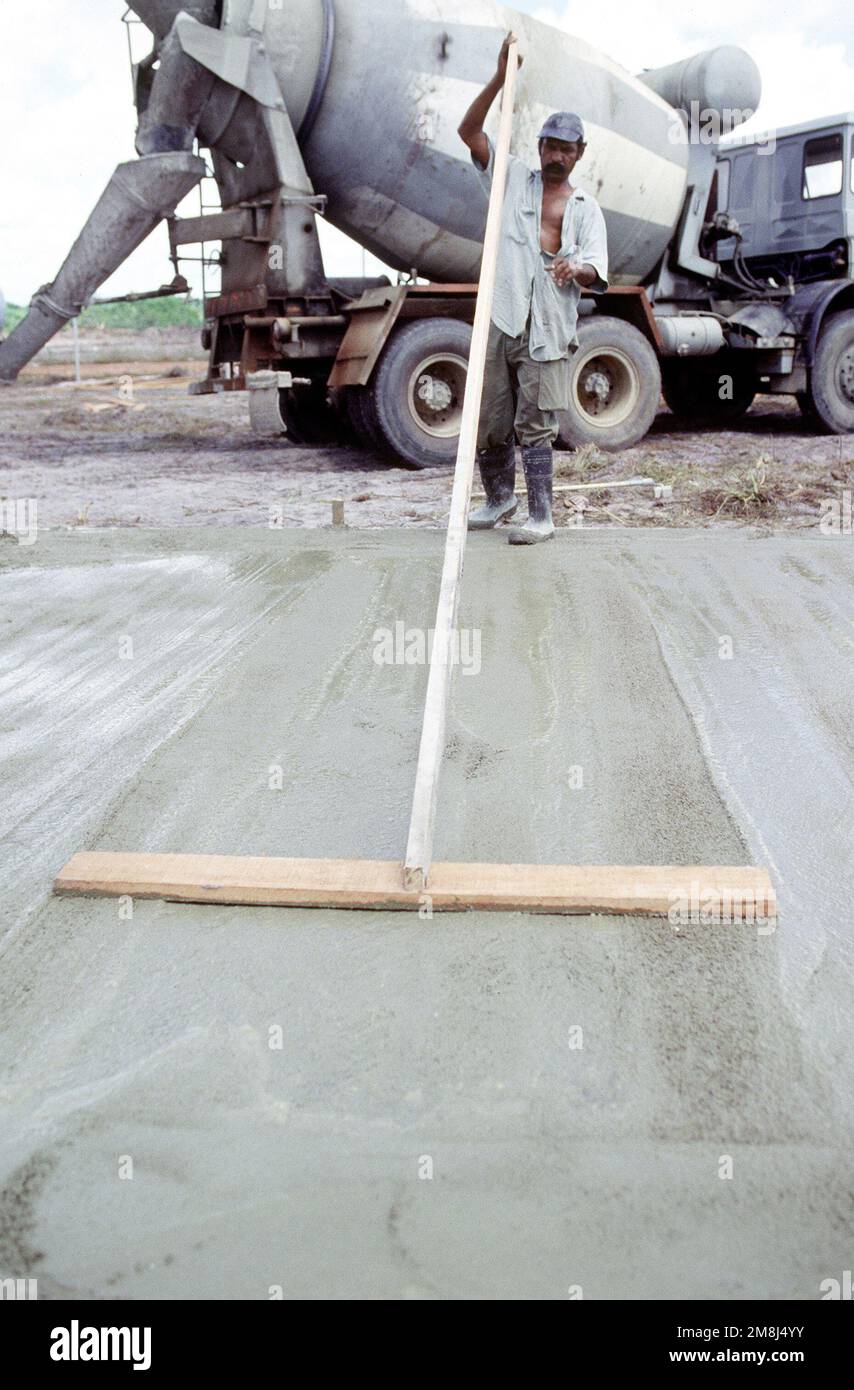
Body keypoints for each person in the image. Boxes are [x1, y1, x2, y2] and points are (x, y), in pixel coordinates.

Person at [457, 33, 609, 543]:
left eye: (567, 149)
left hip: (547, 329)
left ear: (579, 154)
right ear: (539, 147)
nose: (557, 156)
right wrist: (501, 76)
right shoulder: (513, 179)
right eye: (550, 146)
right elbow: (468, 131)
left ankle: (542, 516)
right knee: (489, 417)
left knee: (537, 421)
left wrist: (576, 270)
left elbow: (597, 271)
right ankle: (499, 499)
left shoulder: (586, 209)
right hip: (502, 316)